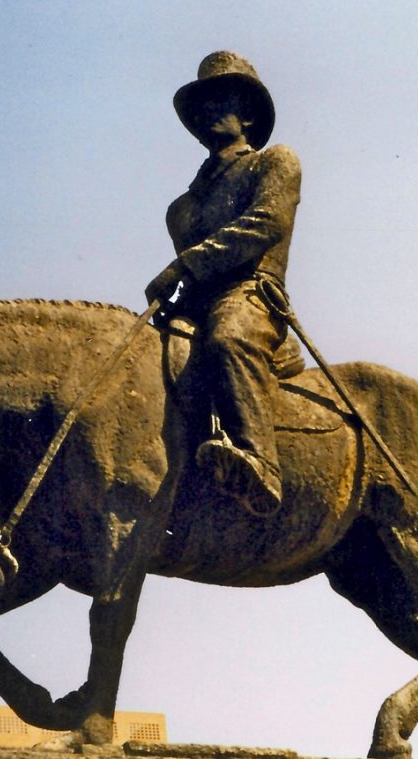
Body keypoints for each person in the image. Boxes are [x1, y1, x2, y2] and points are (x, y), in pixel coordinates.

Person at [145, 51, 302, 517]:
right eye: (201, 107)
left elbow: (265, 223)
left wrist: (184, 267)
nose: (207, 113)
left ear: (248, 114)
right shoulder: (182, 207)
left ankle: (261, 464)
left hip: (250, 296)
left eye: (221, 101)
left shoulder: (274, 162)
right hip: (197, 303)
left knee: (229, 338)